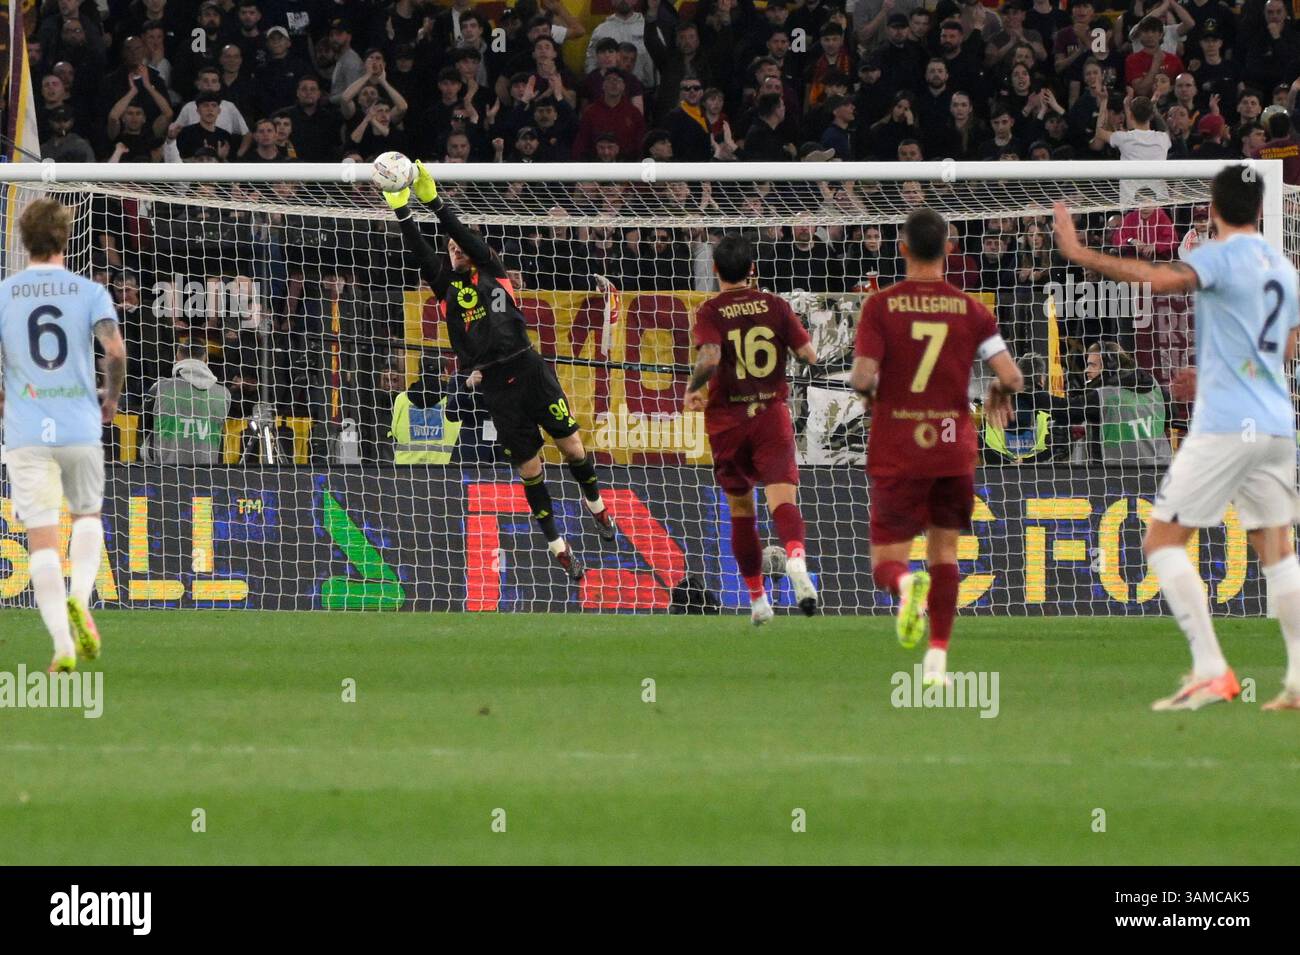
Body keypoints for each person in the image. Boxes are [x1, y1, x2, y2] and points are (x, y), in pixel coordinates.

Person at [1052, 165, 1300, 712]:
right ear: (1262, 208)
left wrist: (1080, 253)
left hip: (1227, 425)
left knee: (1162, 543)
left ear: (1212, 207)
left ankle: (1212, 668)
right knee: (1277, 550)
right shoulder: (1283, 268)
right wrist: (1214, 372)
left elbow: (1156, 279)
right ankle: (1299, 680)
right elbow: (1284, 352)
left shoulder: (1218, 254)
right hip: (1278, 425)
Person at [381, 162, 615, 579]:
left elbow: (466, 235)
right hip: (495, 385)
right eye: (449, 248)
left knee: (573, 449)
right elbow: (420, 248)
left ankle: (597, 508)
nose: (454, 249)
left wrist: (434, 202)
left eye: (459, 245)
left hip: (529, 368)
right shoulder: (445, 287)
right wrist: (403, 209)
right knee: (530, 468)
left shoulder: (494, 271)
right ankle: (558, 546)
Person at [850, 208, 1024, 686]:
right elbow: (1011, 375)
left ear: (902, 248)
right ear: (949, 249)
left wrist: (872, 398)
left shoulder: (880, 307)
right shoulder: (972, 310)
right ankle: (937, 661)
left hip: (898, 449)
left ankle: (907, 587)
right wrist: (998, 393)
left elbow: (862, 377)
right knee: (944, 554)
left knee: (887, 561)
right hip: (951, 450)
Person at [0, 198, 126, 672]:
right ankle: (81, 599)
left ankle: (62, 647)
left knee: (42, 540)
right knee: (87, 515)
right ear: (65, 238)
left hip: (27, 428)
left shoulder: (6, 292)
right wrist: (110, 399)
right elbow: (114, 351)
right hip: (78, 423)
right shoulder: (88, 291)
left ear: (22, 239)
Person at [683, 235, 820, 625]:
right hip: (770, 417)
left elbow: (709, 356)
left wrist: (693, 390)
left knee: (742, 512)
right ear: (753, 270)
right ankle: (795, 557)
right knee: (784, 501)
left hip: (729, 422)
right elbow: (809, 354)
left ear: (715, 271)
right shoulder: (776, 306)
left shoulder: (711, 310)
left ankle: (759, 600)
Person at [141, 342, 232, 464]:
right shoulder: (224, 394)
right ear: (205, 359)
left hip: (163, 470)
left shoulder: (160, 388)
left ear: (177, 357)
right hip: (208, 471)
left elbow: (143, 426)